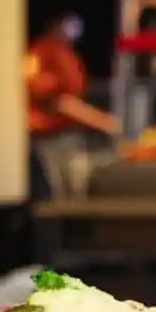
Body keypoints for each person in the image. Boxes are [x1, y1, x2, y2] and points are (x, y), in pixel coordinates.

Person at [26, 11, 119, 200]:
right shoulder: (41, 54)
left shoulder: (64, 53)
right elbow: (59, 101)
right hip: (47, 138)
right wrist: (105, 122)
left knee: (75, 190)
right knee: (57, 193)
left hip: (68, 134)